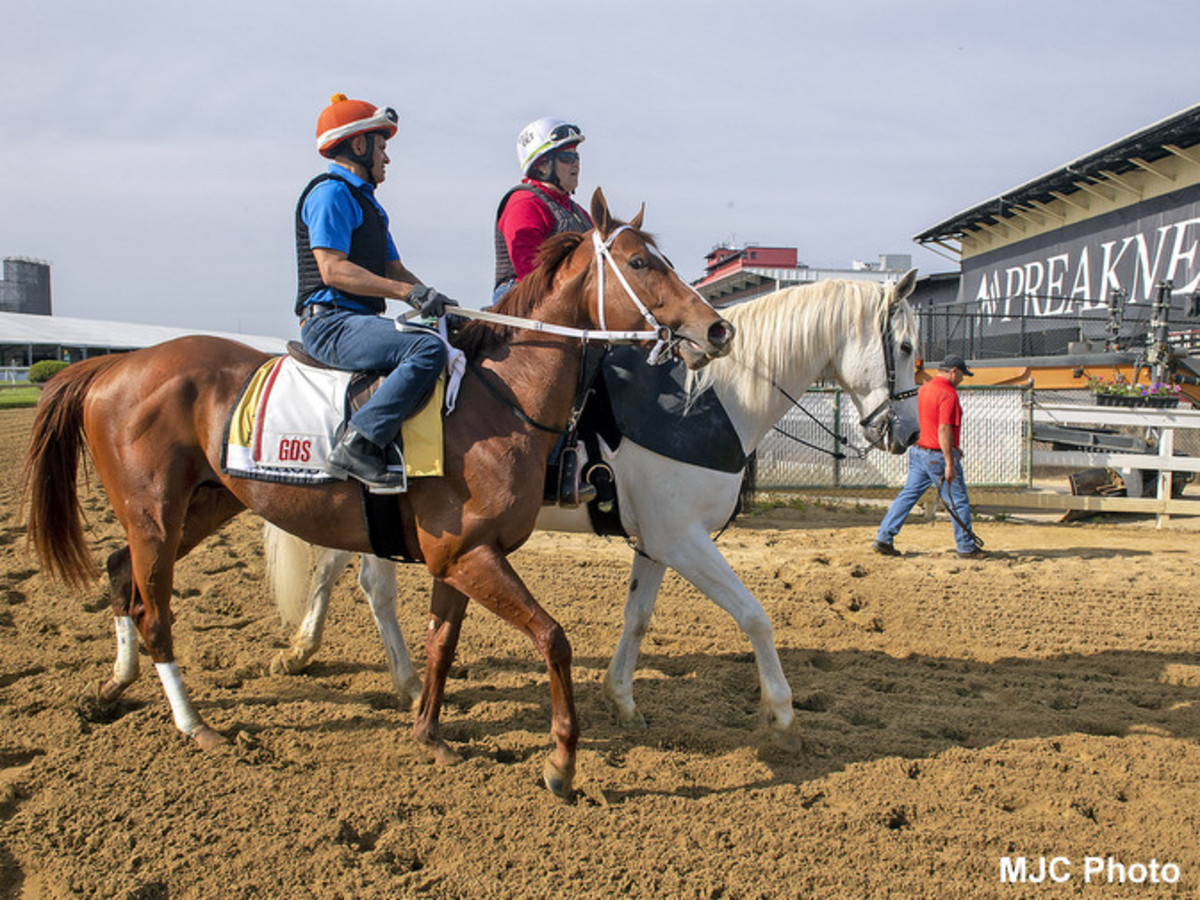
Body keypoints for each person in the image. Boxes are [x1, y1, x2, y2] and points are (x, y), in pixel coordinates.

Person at [295, 93, 455, 492]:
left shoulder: (370, 206)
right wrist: (407, 293)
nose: (387, 158)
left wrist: (434, 298)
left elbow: (395, 270)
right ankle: (360, 444)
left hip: (359, 322)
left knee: (445, 336)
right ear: (360, 144)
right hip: (330, 325)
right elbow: (332, 270)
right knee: (426, 349)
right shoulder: (330, 193)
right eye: (382, 147)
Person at [873, 354, 987, 559]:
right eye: (961, 375)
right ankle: (966, 547)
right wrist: (950, 461)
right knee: (958, 501)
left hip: (919, 451)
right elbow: (943, 428)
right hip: (937, 455)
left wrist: (952, 446)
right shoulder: (948, 394)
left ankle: (884, 537)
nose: (962, 379)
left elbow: (928, 422)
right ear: (954, 372)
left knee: (907, 496)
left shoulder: (924, 389)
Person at [492, 117, 593, 304]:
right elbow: (531, 274)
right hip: (522, 300)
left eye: (576, 157)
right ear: (542, 166)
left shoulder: (579, 212)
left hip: (570, 298)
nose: (576, 164)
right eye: (566, 158)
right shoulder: (524, 203)